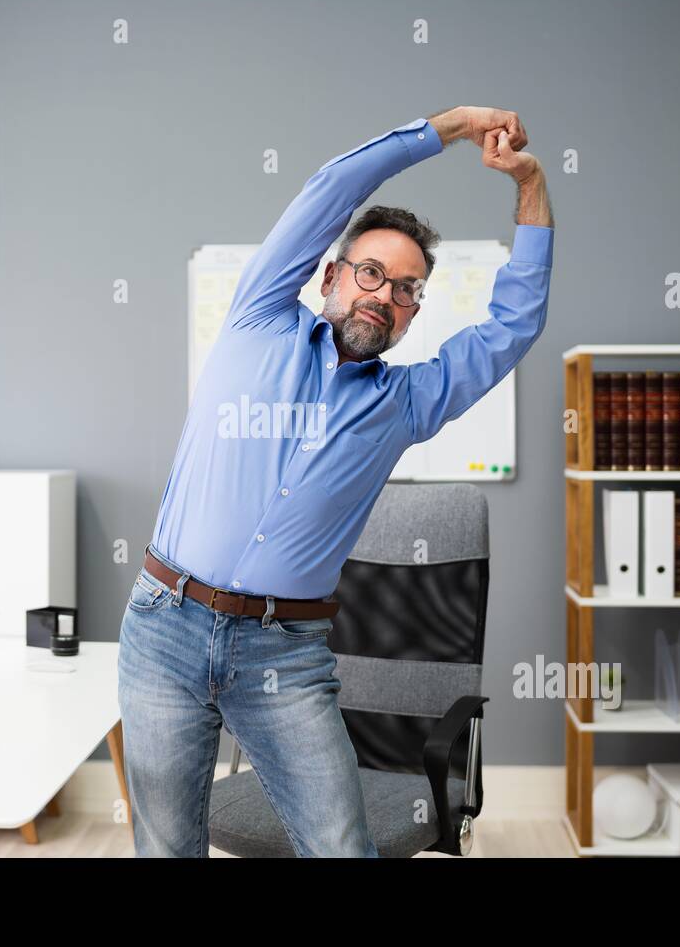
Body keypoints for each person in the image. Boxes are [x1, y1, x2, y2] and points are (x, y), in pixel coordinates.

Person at [118, 105, 554, 856]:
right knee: (166, 845)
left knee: (339, 844)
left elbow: (515, 324)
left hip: (282, 651)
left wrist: (531, 182)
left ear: (414, 313)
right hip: (165, 627)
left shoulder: (408, 404)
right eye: (372, 273)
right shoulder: (258, 320)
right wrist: (448, 128)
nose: (385, 295)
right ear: (331, 275)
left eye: (407, 289)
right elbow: (331, 187)